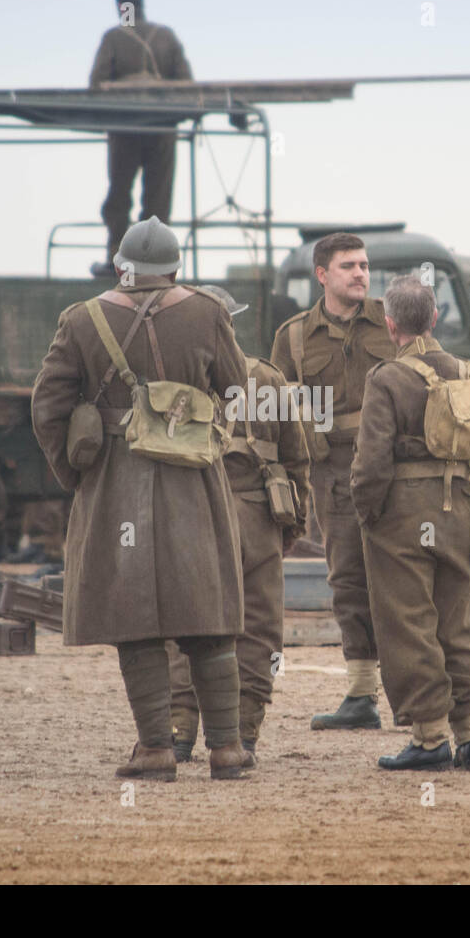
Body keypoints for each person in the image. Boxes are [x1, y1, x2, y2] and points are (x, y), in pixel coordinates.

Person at [31, 217, 250, 781]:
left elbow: (47, 407)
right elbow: (236, 389)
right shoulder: (208, 311)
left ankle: (156, 750)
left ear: (121, 266)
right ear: (176, 268)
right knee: (208, 612)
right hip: (192, 476)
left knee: (136, 618)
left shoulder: (81, 319)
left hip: (117, 479)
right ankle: (227, 750)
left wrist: (79, 474)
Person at [352, 274, 470, 771]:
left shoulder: (385, 378)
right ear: (436, 318)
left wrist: (369, 513)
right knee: (458, 621)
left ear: (389, 322)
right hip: (458, 514)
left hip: (401, 516)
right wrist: (467, 491)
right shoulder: (469, 372)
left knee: (408, 623)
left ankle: (428, 737)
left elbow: (371, 465)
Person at [167, 286, 311, 766]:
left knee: (182, 621)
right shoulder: (267, 380)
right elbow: (298, 462)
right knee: (258, 628)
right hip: (256, 517)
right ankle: (242, 734)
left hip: (190, 514)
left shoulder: (172, 382)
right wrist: (289, 528)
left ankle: (179, 730)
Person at [271, 232, 400, 730]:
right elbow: (277, 408)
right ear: (321, 275)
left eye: (364, 265)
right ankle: (362, 695)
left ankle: (418, 697)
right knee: (349, 581)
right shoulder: (295, 337)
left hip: (394, 474)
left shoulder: (392, 322)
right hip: (333, 478)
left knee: (404, 580)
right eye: (348, 266)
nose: (361, 274)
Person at [89, 0, 193, 277]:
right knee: (158, 199)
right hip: (162, 127)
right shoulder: (166, 37)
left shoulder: (113, 38)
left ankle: (117, 261)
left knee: (119, 196)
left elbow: (96, 85)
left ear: (122, 7)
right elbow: (187, 84)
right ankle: (156, 264)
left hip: (125, 127)